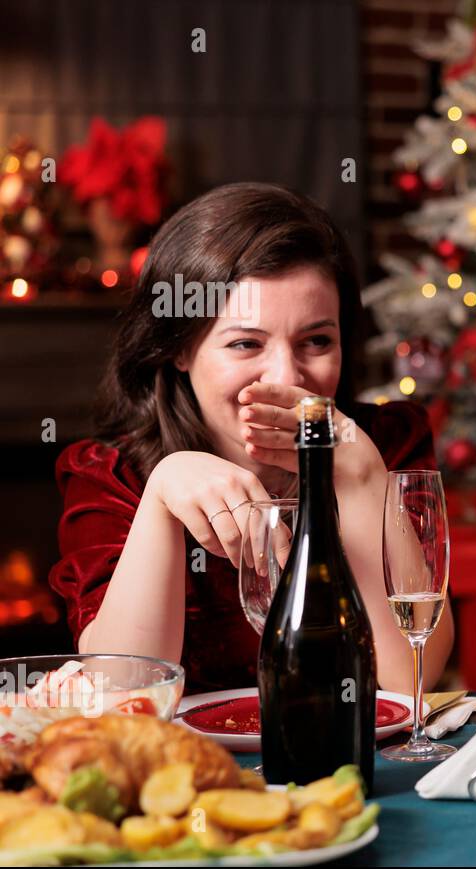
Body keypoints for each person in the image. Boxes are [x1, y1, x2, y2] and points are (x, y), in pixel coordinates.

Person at [49, 182, 454, 694]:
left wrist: (361, 476)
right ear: (180, 350)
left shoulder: (387, 441)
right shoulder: (111, 475)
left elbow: (410, 682)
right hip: (192, 772)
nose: (286, 377)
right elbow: (124, 689)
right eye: (245, 343)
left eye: (316, 341)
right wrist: (162, 493)